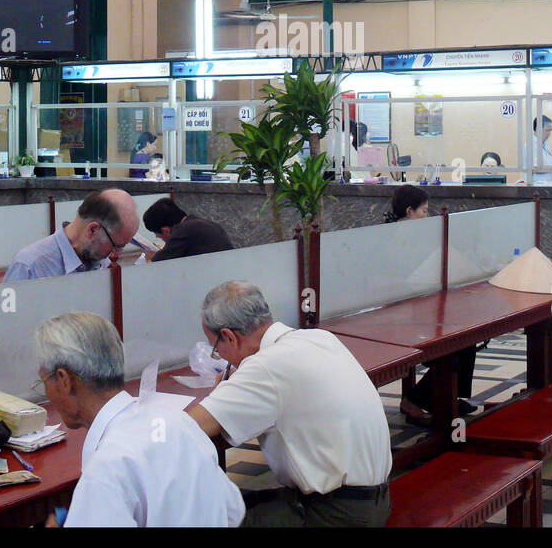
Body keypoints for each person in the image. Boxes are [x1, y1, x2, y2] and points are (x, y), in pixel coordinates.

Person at [186, 281, 392, 527]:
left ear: (229, 337)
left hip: (336, 516)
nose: (219, 356)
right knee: (232, 504)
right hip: (376, 500)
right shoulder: (320, 338)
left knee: (205, 516)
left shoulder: (265, 365)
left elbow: (190, 428)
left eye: (215, 349)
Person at [35, 312, 243, 527]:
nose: (47, 392)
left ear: (64, 380)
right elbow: (233, 509)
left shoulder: (106, 469)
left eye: (43, 382)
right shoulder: (179, 422)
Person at [383, 187, 478, 425]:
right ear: (409, 211)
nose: (428, 216)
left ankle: (447, 395)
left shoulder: (414, 235)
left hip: (419, 307)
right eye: (424, 211)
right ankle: (414, 400)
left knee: (467, 338)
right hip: (401, 315)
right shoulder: (398, 238)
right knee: (455, 343)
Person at [4, 189, 138, 281]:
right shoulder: (28, 267)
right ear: (92, 230)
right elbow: (8, 320)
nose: (118, 255)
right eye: (116, 246)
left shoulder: (101, 263)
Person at [141, 198, 233, 261]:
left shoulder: (183, 230)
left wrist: (149, 257)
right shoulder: (198, 224)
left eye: (160, 237)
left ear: (166, 231)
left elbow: (158, 263)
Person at [530, 114, 552, 182]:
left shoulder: (545, 145)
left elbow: (547, 168)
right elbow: (533, 168)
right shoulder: (530, 146)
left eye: (550, 130)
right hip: (537, 187)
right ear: (538, 129)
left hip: (548, 185)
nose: (549, 134)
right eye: (547, 130)